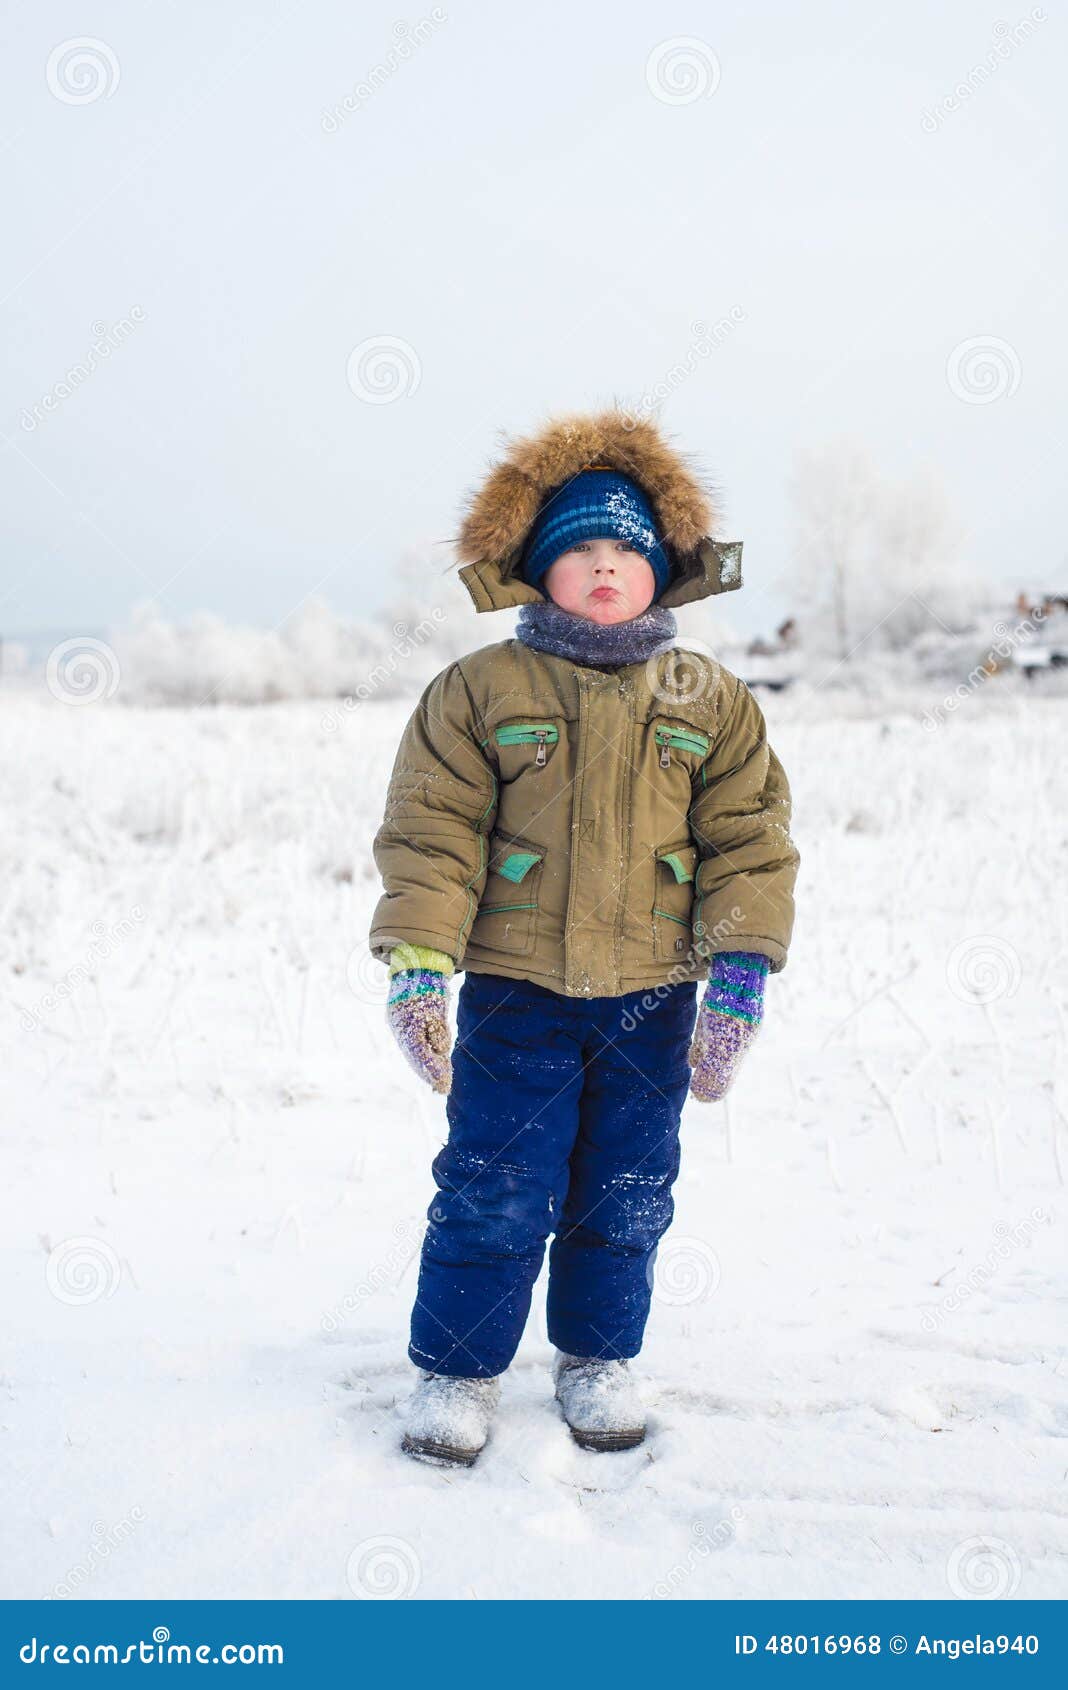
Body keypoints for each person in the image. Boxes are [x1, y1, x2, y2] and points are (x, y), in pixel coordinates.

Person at [368, 408, 800, 1466]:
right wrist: (420, 963)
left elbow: (748, 841)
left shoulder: (710, 697)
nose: (606, 568)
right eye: (580, 552)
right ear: (537, 571)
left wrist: (739, 975)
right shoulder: (479, 691)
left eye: (627, 552)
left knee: (628, 1181)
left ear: (665, 572)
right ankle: (461, 1368)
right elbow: (432, 833)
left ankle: (599, 1355)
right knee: (496, 1178)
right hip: (517, 989)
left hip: (655, 995)